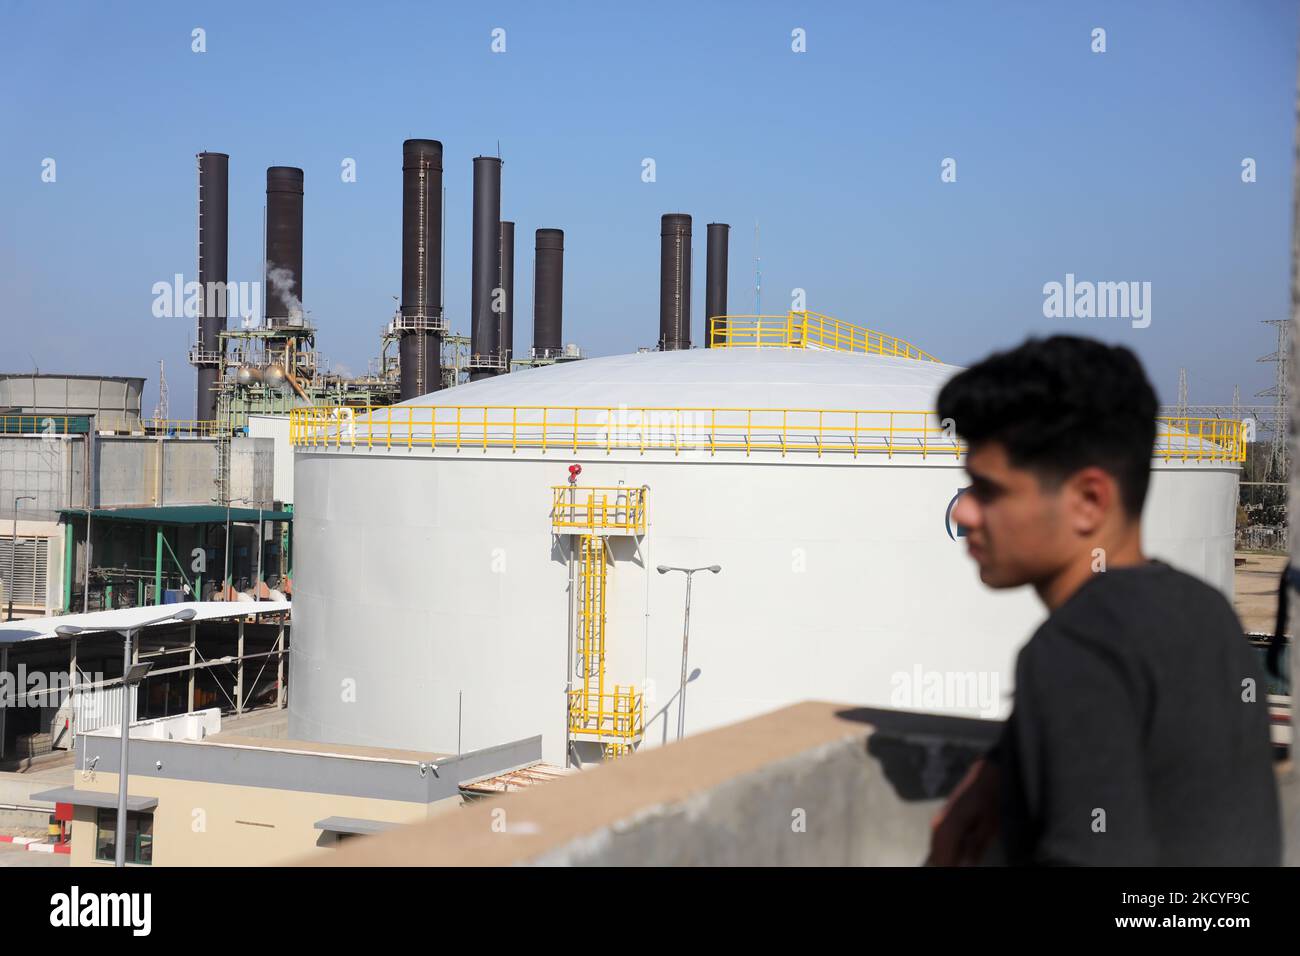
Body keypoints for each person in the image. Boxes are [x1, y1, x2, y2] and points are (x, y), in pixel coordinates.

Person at [926, 335, 1279, 866]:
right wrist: (1003, 765)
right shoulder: (1204, 609)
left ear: (1089, 501)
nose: (963, 514)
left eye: (988, 490)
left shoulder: (1073, 651)